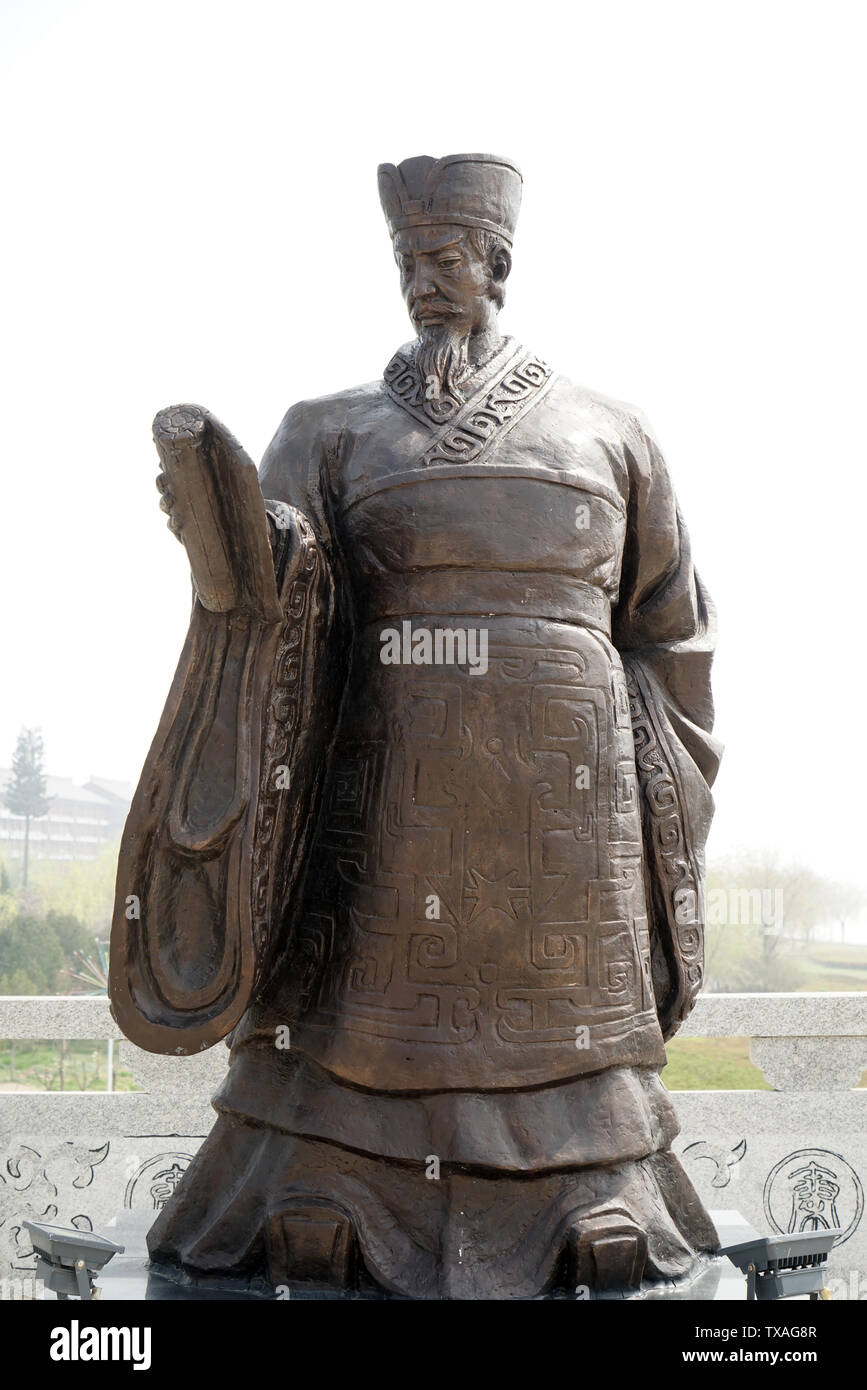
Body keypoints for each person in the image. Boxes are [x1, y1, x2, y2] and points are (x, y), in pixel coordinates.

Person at [112, 153, 722, 1299]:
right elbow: (281, 606)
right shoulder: (329, 429)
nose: (425, 281)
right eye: (407, 262)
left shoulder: (613, 432)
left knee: (571, 1044)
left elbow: (672, 633)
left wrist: (638, 784)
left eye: (446, 259)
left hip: (564, 841)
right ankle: (329, 1191)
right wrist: (223, 548)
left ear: (499, 265)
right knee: (351, 1036)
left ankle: (595, 1193)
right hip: (386, 825)